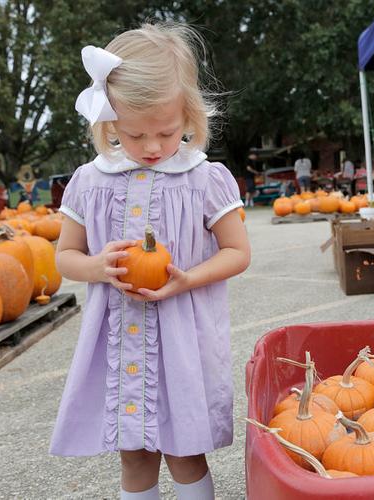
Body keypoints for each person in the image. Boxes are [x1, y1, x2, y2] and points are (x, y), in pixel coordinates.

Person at [50, 23, 251, 500]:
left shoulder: (204, 179)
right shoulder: (90, 181)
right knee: (134, 454)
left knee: (185, 451)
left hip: (182, 344)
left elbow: (238, 251)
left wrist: (187, 279)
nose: (154, 147)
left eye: (167, 131)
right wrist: (97, 267)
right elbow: (65, 257)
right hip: (120, 348)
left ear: (190, 116)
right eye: (135, 134)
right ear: (110, 124)